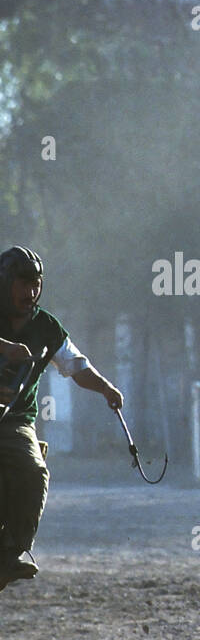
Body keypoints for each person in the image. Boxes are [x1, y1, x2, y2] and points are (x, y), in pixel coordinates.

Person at [0, 246, 123, 591]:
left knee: (35, 471)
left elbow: (76, 366)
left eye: (36, 283)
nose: (31, 292)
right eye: (23, 283)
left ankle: (13, 551)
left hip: (12, 421)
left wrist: (106, 388)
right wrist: (5, 347)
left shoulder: (46, 326)